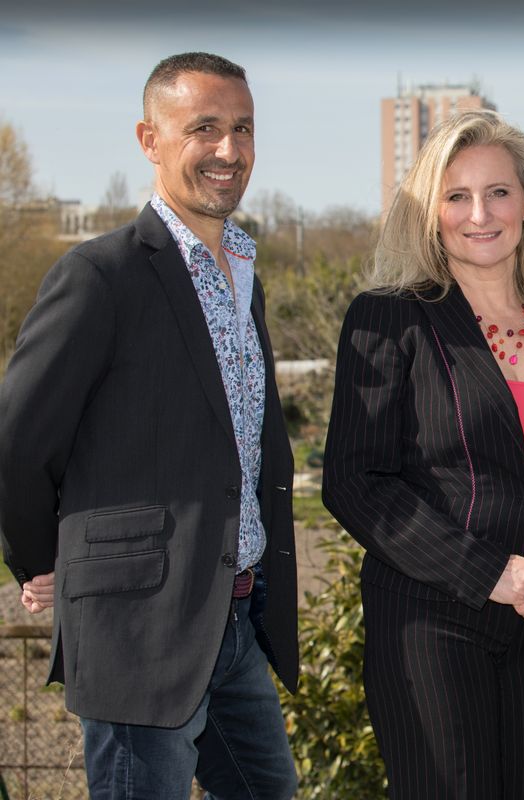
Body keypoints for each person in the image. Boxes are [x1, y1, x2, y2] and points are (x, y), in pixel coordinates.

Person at [0, 52, 298, 798]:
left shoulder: (244, 275)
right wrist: (45, 562)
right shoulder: (101, 276)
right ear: (150, 139)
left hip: (237, 620)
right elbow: (15, 445)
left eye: (243, 128)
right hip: (139, 627)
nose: (229, 149)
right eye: (204, 128)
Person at [322, 109, 524, 799]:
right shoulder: (389, 318)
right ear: (430, 213)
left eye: (497, 192)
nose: (479, 214)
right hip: (431, 623)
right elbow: (355, 481)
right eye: (456, 196)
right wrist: (491, 573)